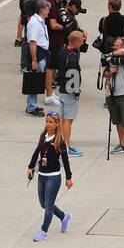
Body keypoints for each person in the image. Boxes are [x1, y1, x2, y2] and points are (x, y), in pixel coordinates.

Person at [26, 112, 73, 242]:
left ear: (57, 124)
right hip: (42, 175)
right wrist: (31, 167)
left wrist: (69, 178)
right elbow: (37, 153)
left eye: (51, 122)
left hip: (53, 177)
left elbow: (66, 161)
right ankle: (64, 217)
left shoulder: (59, 141)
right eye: (47, 121)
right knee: (44, 204)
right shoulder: (43, 136)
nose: (48, 124)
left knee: (49, 204)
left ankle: (43, 231)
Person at [47, 28, 88, 157]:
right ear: (75, 42)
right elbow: (74, 75)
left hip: (62, 90)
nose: (82, 44)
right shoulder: (72, 57)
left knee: (63, 117)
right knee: (68, 120)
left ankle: (61, 143)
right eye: (81, 41)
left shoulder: (63, 51)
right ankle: (66, 146)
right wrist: (76, 92)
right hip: (69, 92)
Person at [24, 0, 52, 116]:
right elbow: (33, 42)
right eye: (47, 10)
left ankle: (32, 105)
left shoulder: (40, 21)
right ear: (42, 10)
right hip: (38, 53)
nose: (48, 12)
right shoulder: (35, 23)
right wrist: (34, 59)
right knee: (35, 79)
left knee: (38, 79)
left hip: (42, 52)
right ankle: (31, 107)